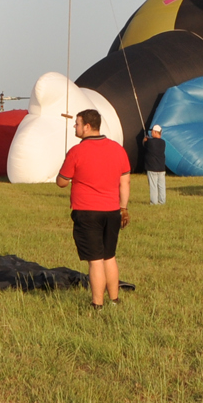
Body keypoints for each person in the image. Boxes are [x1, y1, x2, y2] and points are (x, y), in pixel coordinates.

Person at [56, 109, 132, 310]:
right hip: (112, 210)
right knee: (110, 256)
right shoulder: (118, 149)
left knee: (95, 260)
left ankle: (97, 304)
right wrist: (123, 207)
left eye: (77, 123)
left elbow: (61, 183)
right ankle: (114, 300)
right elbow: (125, 182)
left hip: (87, 212)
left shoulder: (76, 151)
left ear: (87, 126)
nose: (75, 127)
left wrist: (65, 166)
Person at [143, 124, 167, 205]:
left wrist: (145, 140)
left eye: (152, 131)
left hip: (152, 168)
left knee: (153, 186)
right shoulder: (163, 143)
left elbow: (144, 145)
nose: (151, 133)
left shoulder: (149, 142)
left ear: (156, 132)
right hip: (161, 167)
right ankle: (162, 201)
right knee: (161, 186)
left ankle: (154, 202)